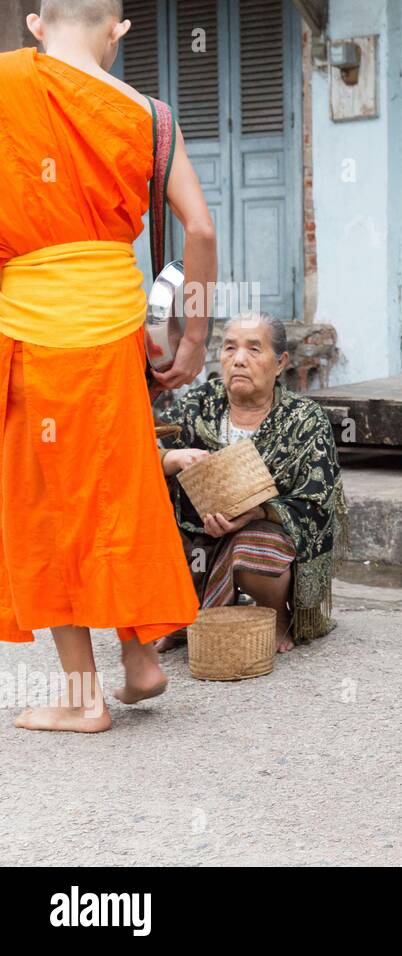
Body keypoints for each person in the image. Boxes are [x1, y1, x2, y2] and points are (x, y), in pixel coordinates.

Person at [0, 0, 215, 732]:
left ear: (35, 25)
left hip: (34, 335)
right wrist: (193, 337)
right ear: (118, 30)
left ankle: (82, 697)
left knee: (47, 505)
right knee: (119, 487)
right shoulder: (151, 116)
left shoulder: (6, 88)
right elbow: (202, 228)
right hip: (118, 331)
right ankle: (141, 659)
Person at [158, 314, 345, 654]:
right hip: (194, 532)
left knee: (254, 546)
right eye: (230, 348)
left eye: (254, 349)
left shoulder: (304, 420)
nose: (239, 359)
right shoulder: (199, 405)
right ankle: (179, 618)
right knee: (146, 532)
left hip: (263, 535)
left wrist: (259, 511)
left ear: (280, 363)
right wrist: (173, 458)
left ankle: (274, 615)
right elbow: (142, 448)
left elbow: (317, 503)